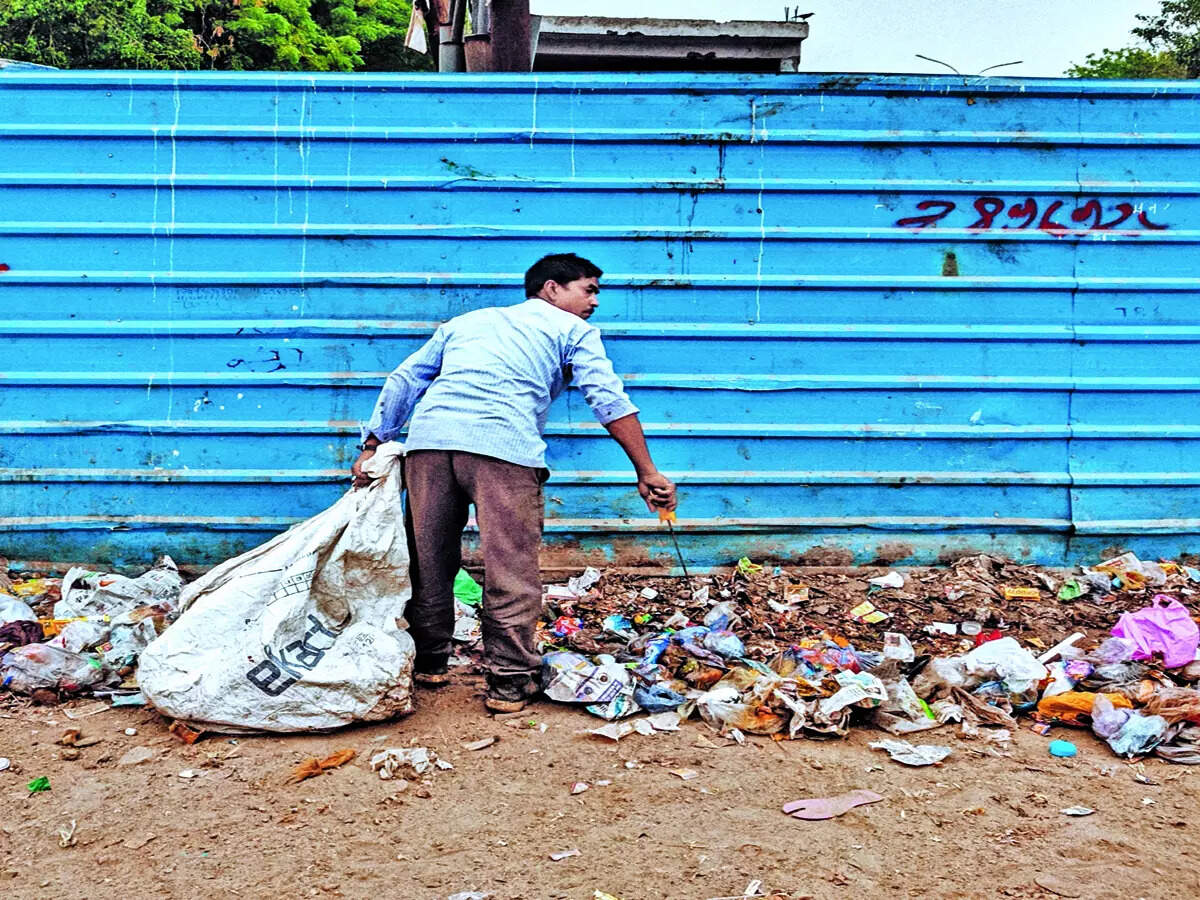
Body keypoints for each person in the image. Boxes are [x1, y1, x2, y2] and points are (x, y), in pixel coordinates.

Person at [351, 253, 677, 712]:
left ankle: (429, 664)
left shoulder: (468, 323)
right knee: (510, 567)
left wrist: (373, 442)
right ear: (551, 288)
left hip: (429, 446)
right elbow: (607, 399)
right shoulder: (573, 331)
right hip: (503, 449)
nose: (596, 301)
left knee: (429, 560)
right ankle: (509, 682)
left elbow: (407, 378)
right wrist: (647, 470)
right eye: (589, 289)